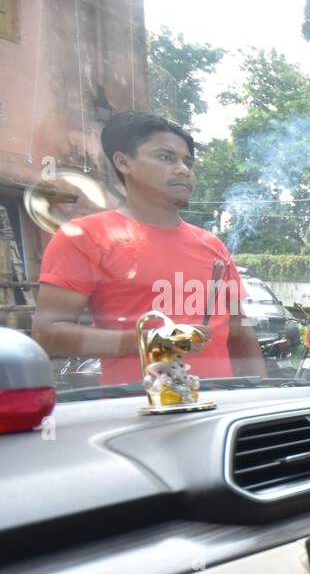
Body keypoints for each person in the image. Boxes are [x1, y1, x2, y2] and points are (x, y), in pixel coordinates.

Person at [34, 111, 264, 385]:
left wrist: (261, 395)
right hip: (139, 413)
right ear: (123, 162)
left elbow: (240, 333)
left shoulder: (212, 246)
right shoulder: (86, 237)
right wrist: (149, 341)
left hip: (218, 414)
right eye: (165, 157)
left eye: (188, 162)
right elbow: (47, 334)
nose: (183, 170)